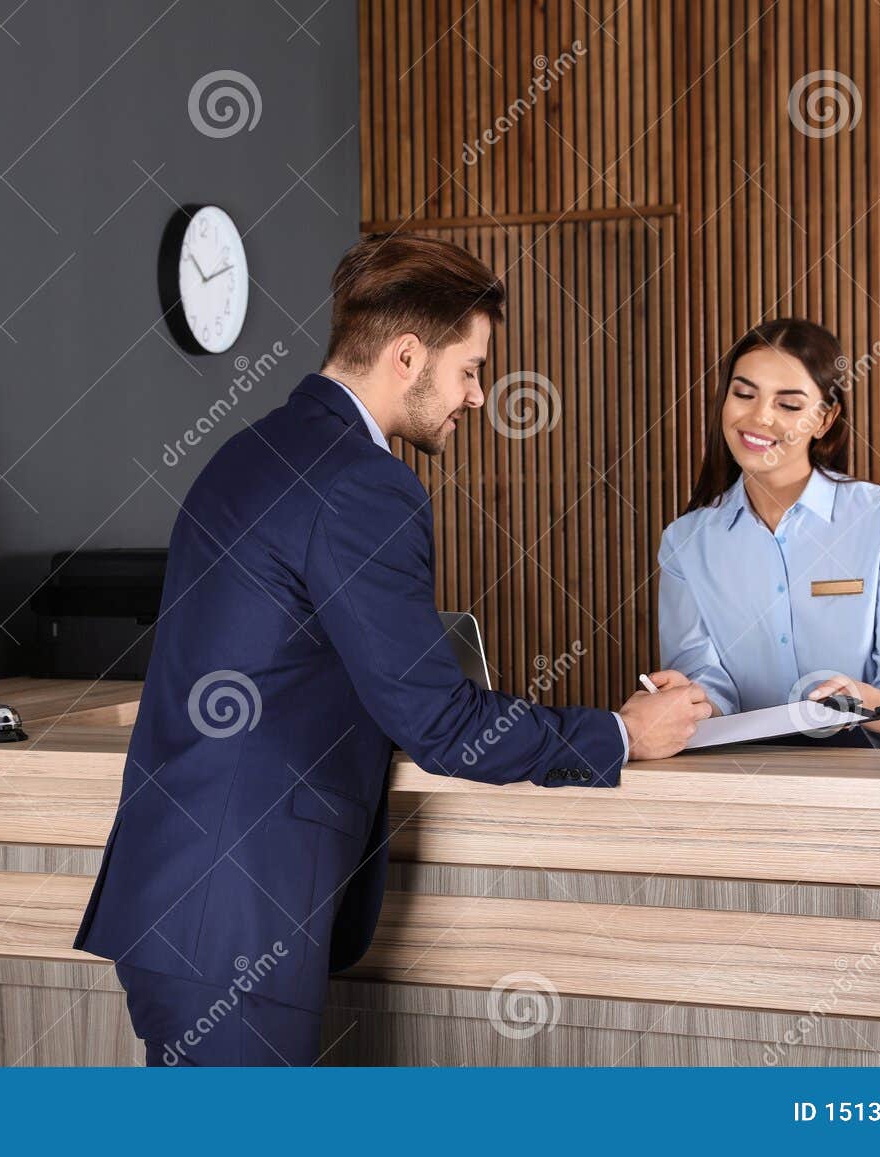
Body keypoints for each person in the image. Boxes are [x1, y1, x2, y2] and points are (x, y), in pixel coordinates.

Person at [74, 233, 710, 1065]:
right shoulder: (364, 484)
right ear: (407, 356)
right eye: (469, 369)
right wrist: (624, 733)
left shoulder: (251, 449)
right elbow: (441, 723)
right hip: (237, 913)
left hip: (182, 897)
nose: (477, 396)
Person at [656, 318, 880, 748]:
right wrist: (691, 700)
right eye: (744, 394)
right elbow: (707, 682)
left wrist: (861, 701)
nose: (760, 416)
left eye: (789, 405)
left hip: (869, 762)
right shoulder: (685, 542)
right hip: (737, 765)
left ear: (825, 419)